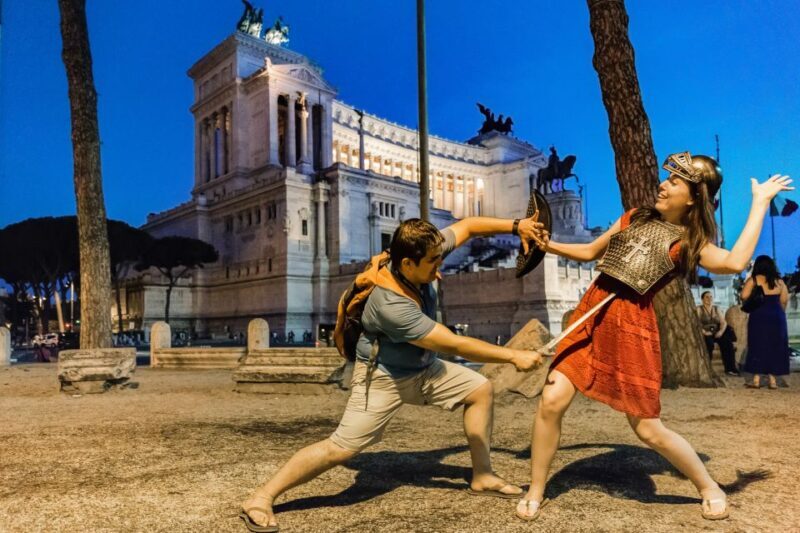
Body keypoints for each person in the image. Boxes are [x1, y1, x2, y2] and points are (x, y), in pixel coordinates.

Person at [515, 152, 792, 522]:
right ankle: (536, 489)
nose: (663, 184)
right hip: (592, 314)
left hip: (631, 326)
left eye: (675, 182)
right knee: (551, 399)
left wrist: (759, 203)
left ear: (694, 197)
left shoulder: (688, 243)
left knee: (647, 429)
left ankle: (709, 486)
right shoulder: (634, 217)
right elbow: (588, 251)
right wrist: (545, 246)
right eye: (667, 179)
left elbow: (735, 262)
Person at [240, 215, 547, 532]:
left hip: (422, 367)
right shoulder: (389, 305)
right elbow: (452, 342)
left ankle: (483, 476)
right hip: (383, 378)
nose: (439, 264)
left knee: (479, 389)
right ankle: (261, 497)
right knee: (341, 448)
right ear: (407, 263)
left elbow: (468, 226)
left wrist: (517, 226)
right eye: (432, 261)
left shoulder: (421, 249)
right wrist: (513, 355)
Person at [741, 255, 790, 389]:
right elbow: (784, 300)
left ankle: (756, 379)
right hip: (776, 316)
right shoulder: (779, 282)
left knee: (757, 345)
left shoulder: (754, 280)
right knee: (775, 346)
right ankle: (773, 380)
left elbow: (743, 296)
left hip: (759, 316)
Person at [696, 291, 739, 375]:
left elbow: (723, 322)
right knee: (709, 344)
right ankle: (708, 369)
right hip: (705, 333)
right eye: (707, 297)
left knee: (727, 344)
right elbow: (696, 322)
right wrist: (704, 332)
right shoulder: (699, 309)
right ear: (702, 299)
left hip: (717, 332)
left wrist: (721, 332)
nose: (709, 299)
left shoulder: (716, 308)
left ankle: (730, 369)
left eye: (711, 297)